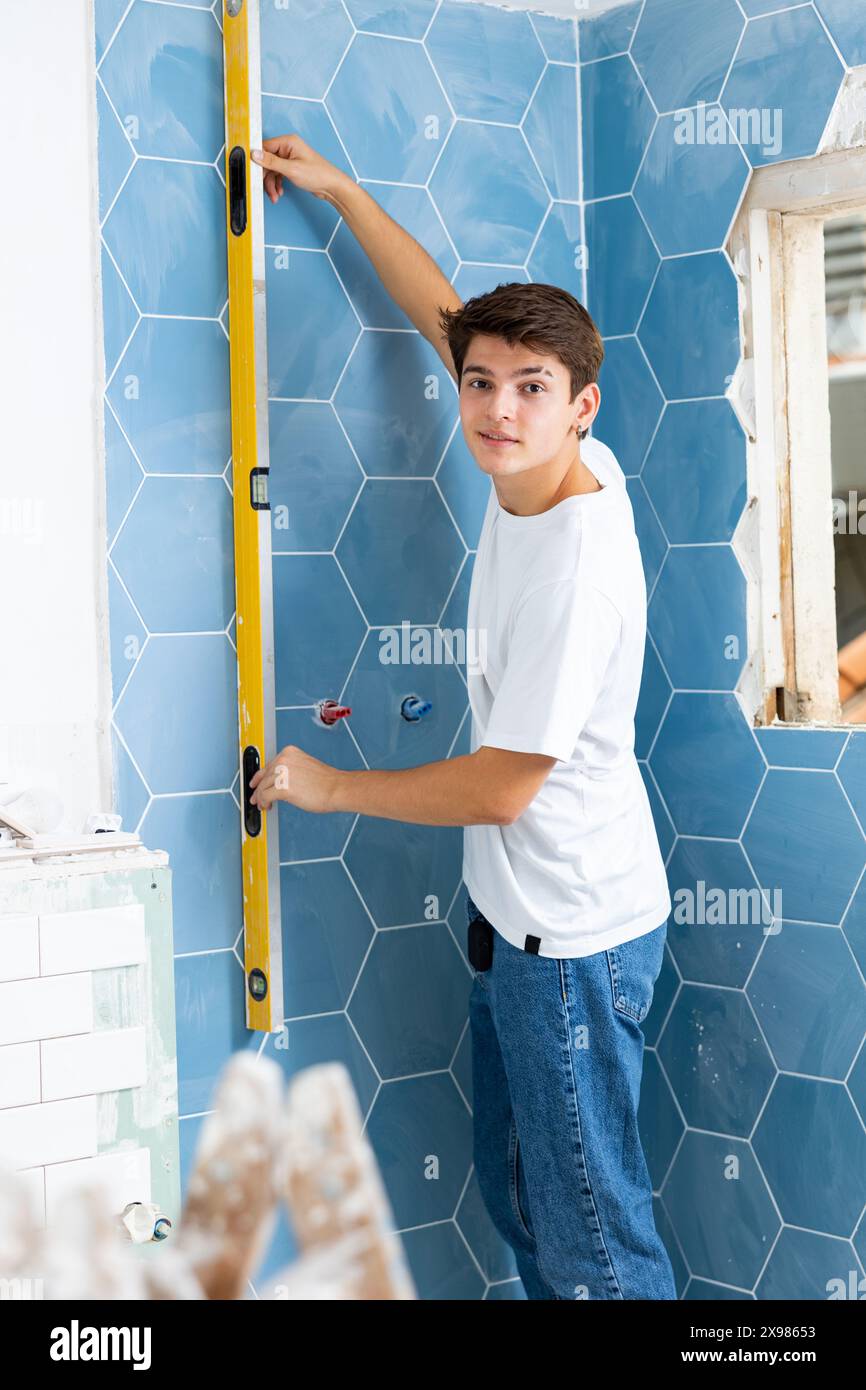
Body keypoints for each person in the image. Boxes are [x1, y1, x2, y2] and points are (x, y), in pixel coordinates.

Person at [248, 135, 676, 1300]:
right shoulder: (537, 457)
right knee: (528, 1204)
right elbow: (439, 302)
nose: (494, 410)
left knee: (594, 1245)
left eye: (531, 391)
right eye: (479, 382)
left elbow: (499, 787)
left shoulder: (574, 569)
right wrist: (338, 191)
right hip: (518, 919)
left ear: (582, 407)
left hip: (573, 941)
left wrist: (330, 786)